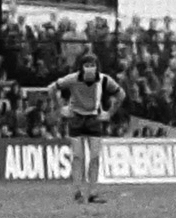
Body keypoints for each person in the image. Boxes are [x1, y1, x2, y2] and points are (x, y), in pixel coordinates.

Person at [51, 52, 123, 204]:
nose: (90, 68)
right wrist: (60, 109)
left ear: (97, 67)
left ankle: (93, 192)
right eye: (87, 65)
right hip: (76, 118)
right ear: (81, 67)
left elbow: (120, 94)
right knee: (78, 157)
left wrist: (109, 113)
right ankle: (77, 191)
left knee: (95, 157)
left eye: (92, 65)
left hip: (93, 119)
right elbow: (52, 88)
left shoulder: (104, 79)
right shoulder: (72, 78)